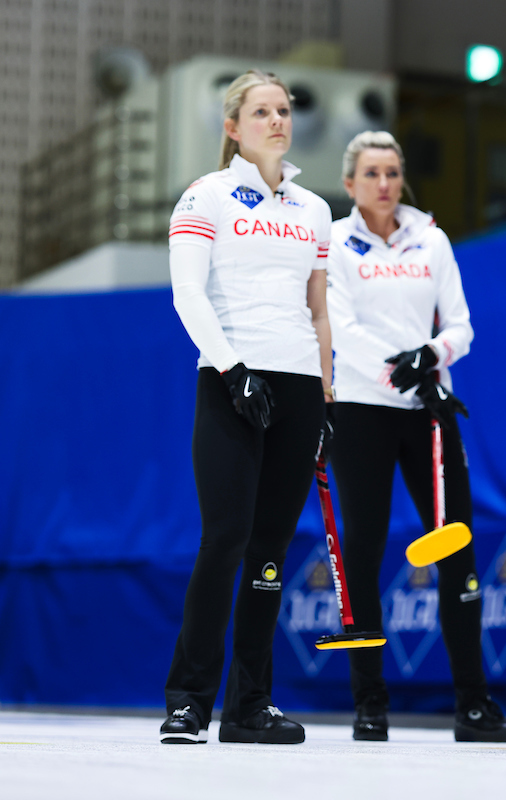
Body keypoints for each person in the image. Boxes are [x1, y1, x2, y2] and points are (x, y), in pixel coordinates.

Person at [323, 130, 506, 743]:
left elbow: (461, 325)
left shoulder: (431, 239)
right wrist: (400, 366)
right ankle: (369, 703)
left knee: (455, 547)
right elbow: (338, 324)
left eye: (392, 172)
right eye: (371, 173)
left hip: (429, 410)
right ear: (351, 182)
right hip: (358, 410)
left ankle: (474, 704)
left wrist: (430, 355)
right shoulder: (334, 241)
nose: (384, 183)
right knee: (363, 549)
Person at [160, 70, 334, 745]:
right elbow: (187, 294)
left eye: (284, 110)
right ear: (233, 126)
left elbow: (319, 310)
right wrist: (234, 370)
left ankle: (249, 706)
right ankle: (188, 700)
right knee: (225, 540)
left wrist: (327, 393)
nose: (278, 120)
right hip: (232, 380)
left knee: (271, 550)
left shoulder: (314, 209)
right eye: (262, 111)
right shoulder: (205, 196)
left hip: (297, 387)